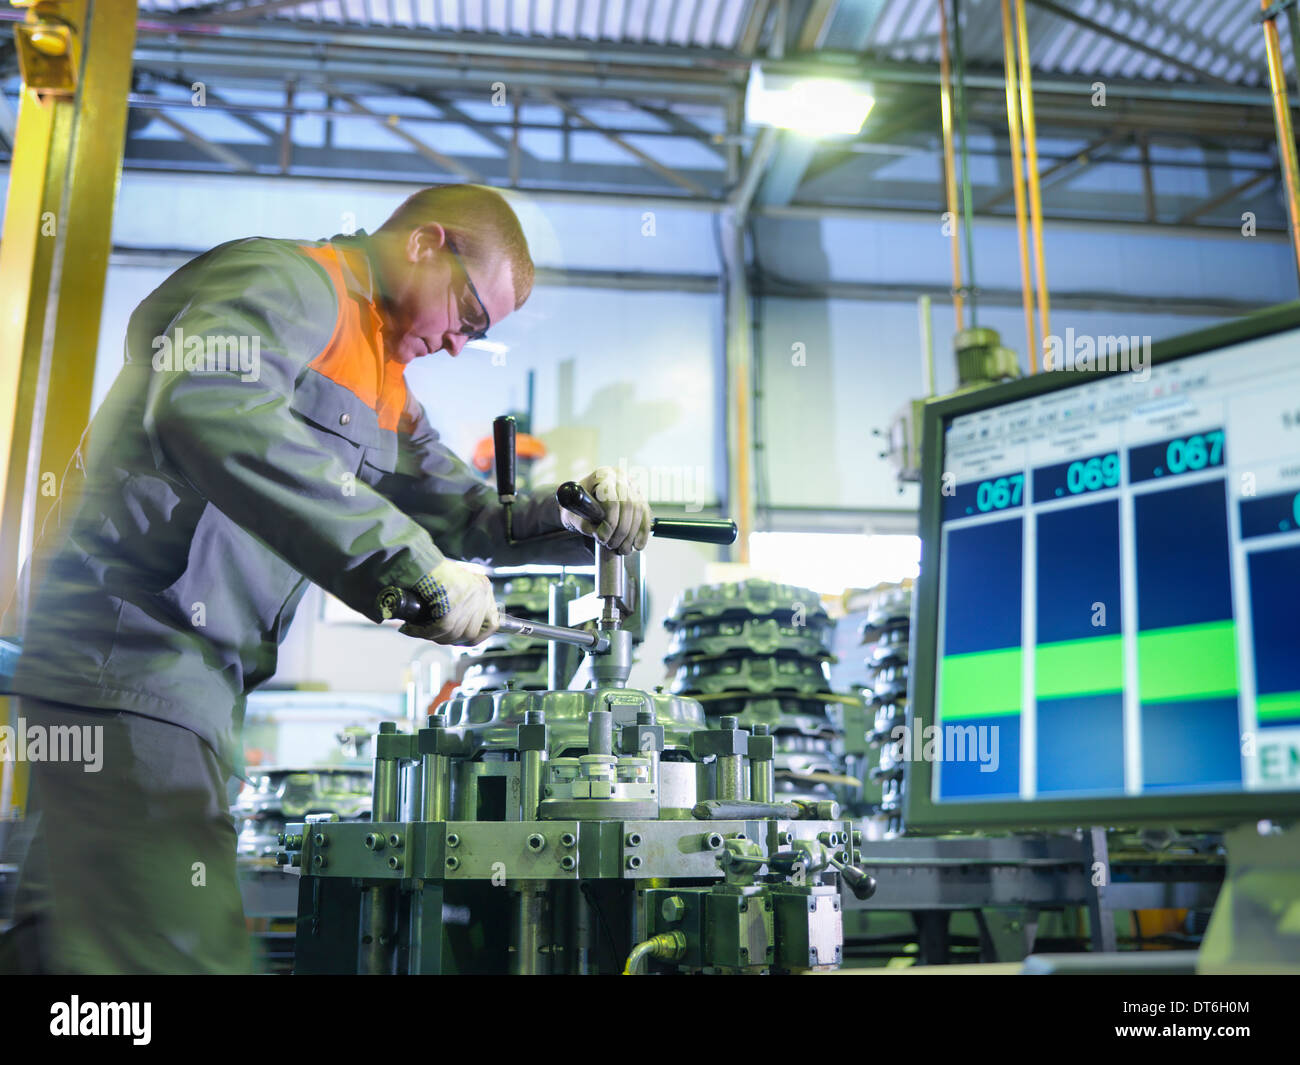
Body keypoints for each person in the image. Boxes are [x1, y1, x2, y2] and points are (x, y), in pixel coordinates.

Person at [0, 183, 650, 974]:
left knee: (68, 952)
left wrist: (584, 515)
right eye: (469, 316)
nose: (459, 346)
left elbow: (474, 514)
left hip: (182, 682)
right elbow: (207, 404)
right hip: (131, 655)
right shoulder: (284, 284)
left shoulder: (383, 384)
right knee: (171, 954)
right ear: (424, 244)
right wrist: (409, 563)